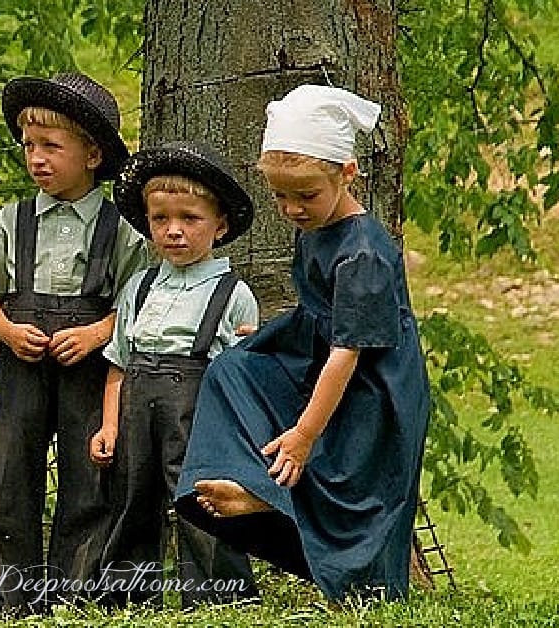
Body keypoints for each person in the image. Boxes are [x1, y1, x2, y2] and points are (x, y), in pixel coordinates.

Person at [174, 84, 431, 601]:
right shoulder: (313, 227)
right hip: (328, 363)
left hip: (374, 390)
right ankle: (254, 485)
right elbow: (317, 311)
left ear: (347, 173)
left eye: (306, 194)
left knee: (358, 502)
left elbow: (348, 350)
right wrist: (265, 337)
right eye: (280, 195)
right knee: (233, 369)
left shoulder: (363, 252)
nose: (291, 208)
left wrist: (303, 434)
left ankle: (271, 497)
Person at [0, 72, 151, 616]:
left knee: (89, 476)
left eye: (51, 146)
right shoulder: (9, 222)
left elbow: (135, 304)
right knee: (8, 473)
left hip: (89, 365)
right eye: (28, 146)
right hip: (23, 359)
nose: (36, 158)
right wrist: (8, 331)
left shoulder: (124, 230)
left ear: (91, 154)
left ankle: (77, 591)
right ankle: (9, 594)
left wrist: (95, 333)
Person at [87, 142, 259, 608]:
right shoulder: (138, 286)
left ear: (219, 226)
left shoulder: (232, 293)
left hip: (200, 415)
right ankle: (125, 596)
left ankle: (218, 596)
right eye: (160, 219)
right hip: (137, 409)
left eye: (190, 218)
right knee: (131, 499)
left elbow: (242, 381)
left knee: (201, 502)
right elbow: (120, 362)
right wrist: (109, 424)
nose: (174, 231)